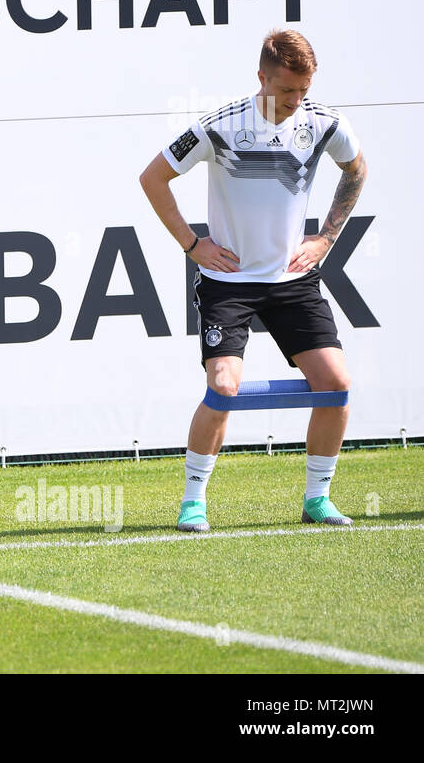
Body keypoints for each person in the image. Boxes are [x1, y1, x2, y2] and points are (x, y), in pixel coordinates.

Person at [140, 29, 368, 532]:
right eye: (287, 90)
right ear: (261, 77)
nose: (296, 101)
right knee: (224, 385)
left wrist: (326, 238)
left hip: (291, 280)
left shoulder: (323, 123)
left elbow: (355, 170)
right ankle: (193, 502)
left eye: (303, 91)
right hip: (229, 282)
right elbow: (152, 178)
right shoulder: (219, 127)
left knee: (336, 384)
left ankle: (317, 500)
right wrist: (192, 244)